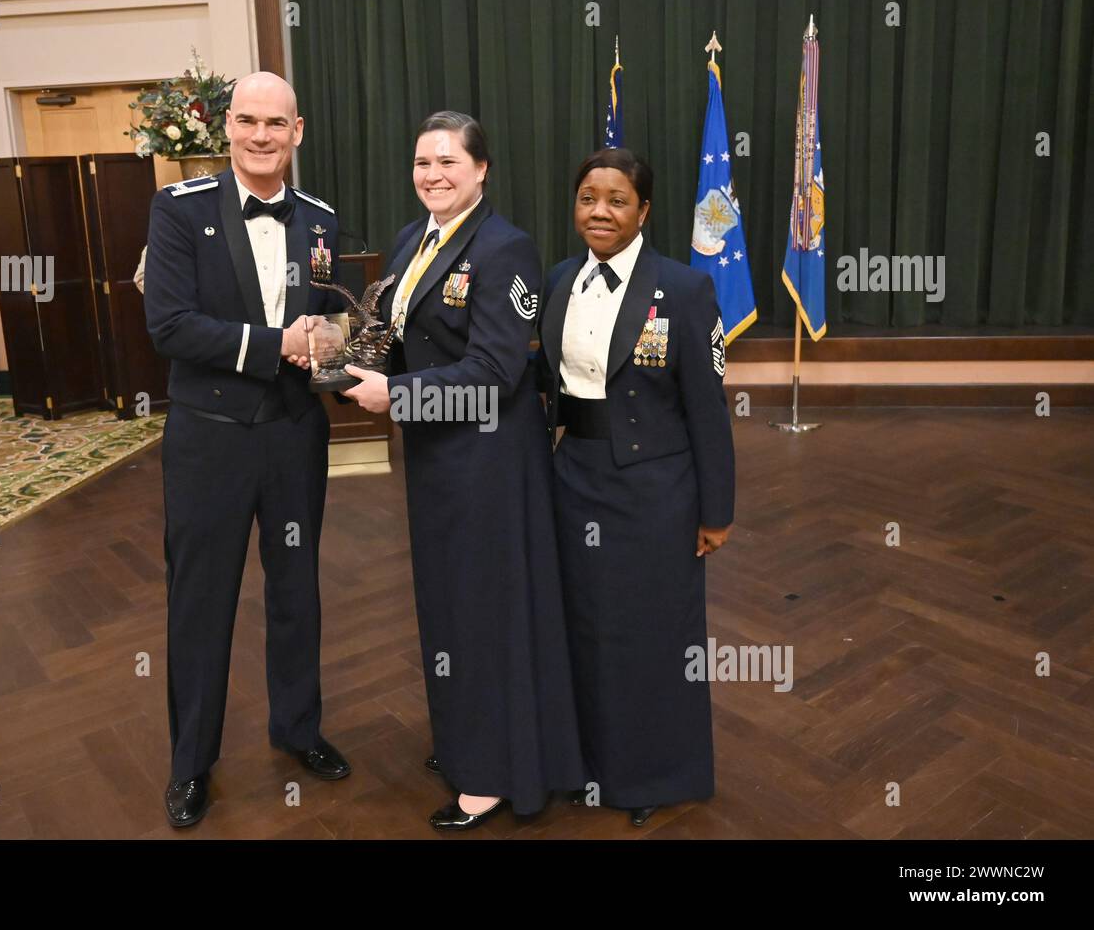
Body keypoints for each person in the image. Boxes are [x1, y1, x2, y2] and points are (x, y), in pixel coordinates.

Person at [343, 111, 584, 830]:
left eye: (448, 161)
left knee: (485, 613)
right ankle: (466, 741)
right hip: (436, 458)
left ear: (482, 170)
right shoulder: (412, 238)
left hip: (490, 461)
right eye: (422, 162)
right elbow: (396, 335)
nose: (433, 174)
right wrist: (339, 353)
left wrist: (397, 395)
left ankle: (492, 775)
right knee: (449, 606)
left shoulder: (507, 248)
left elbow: (497, 370)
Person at [143, 71, 351, 828]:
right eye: (248, 121)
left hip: (296, 437)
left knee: (298, 594)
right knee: (202, 604)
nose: (262, 135)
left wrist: (332, 337)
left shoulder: (321, 220)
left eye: (277, 123)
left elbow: (327, 313)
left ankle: (298, 729)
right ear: (226, 127)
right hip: (211, 443)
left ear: (298, 132)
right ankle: (191, 762)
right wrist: (276, 344)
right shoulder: (177, 210)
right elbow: (168, 325)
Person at [538, 148, 735, 826]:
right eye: (588, 196)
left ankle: (656, 771)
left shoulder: (683, 289)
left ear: (644, 211)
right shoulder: (559, 280)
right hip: (575, 476)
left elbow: (709, 409)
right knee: (586, 628)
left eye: (617, 199)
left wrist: (717, 510)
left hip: (656, 489)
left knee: (653, 633)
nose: (599, 210)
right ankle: (588, 763)